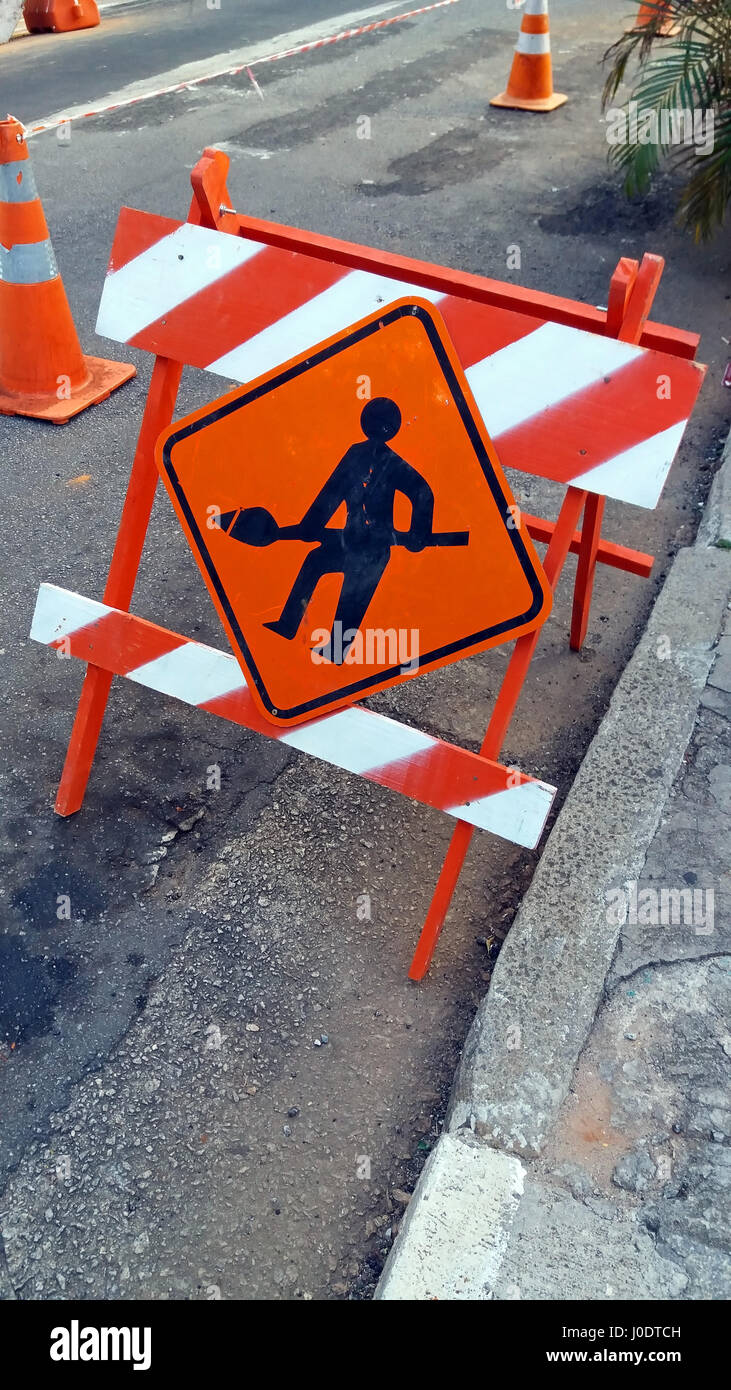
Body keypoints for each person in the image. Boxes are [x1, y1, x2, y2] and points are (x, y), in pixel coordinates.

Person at [263, 397, 434, 663]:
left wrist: (418, 535)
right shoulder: (355, 454)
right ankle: (287, 625)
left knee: (354, 594)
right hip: (348, 539)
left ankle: (336, 651)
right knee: (314, 561)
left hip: (375, 548)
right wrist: (311, 526)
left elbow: (423, 493)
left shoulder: (392, 463)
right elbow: (330, 493)